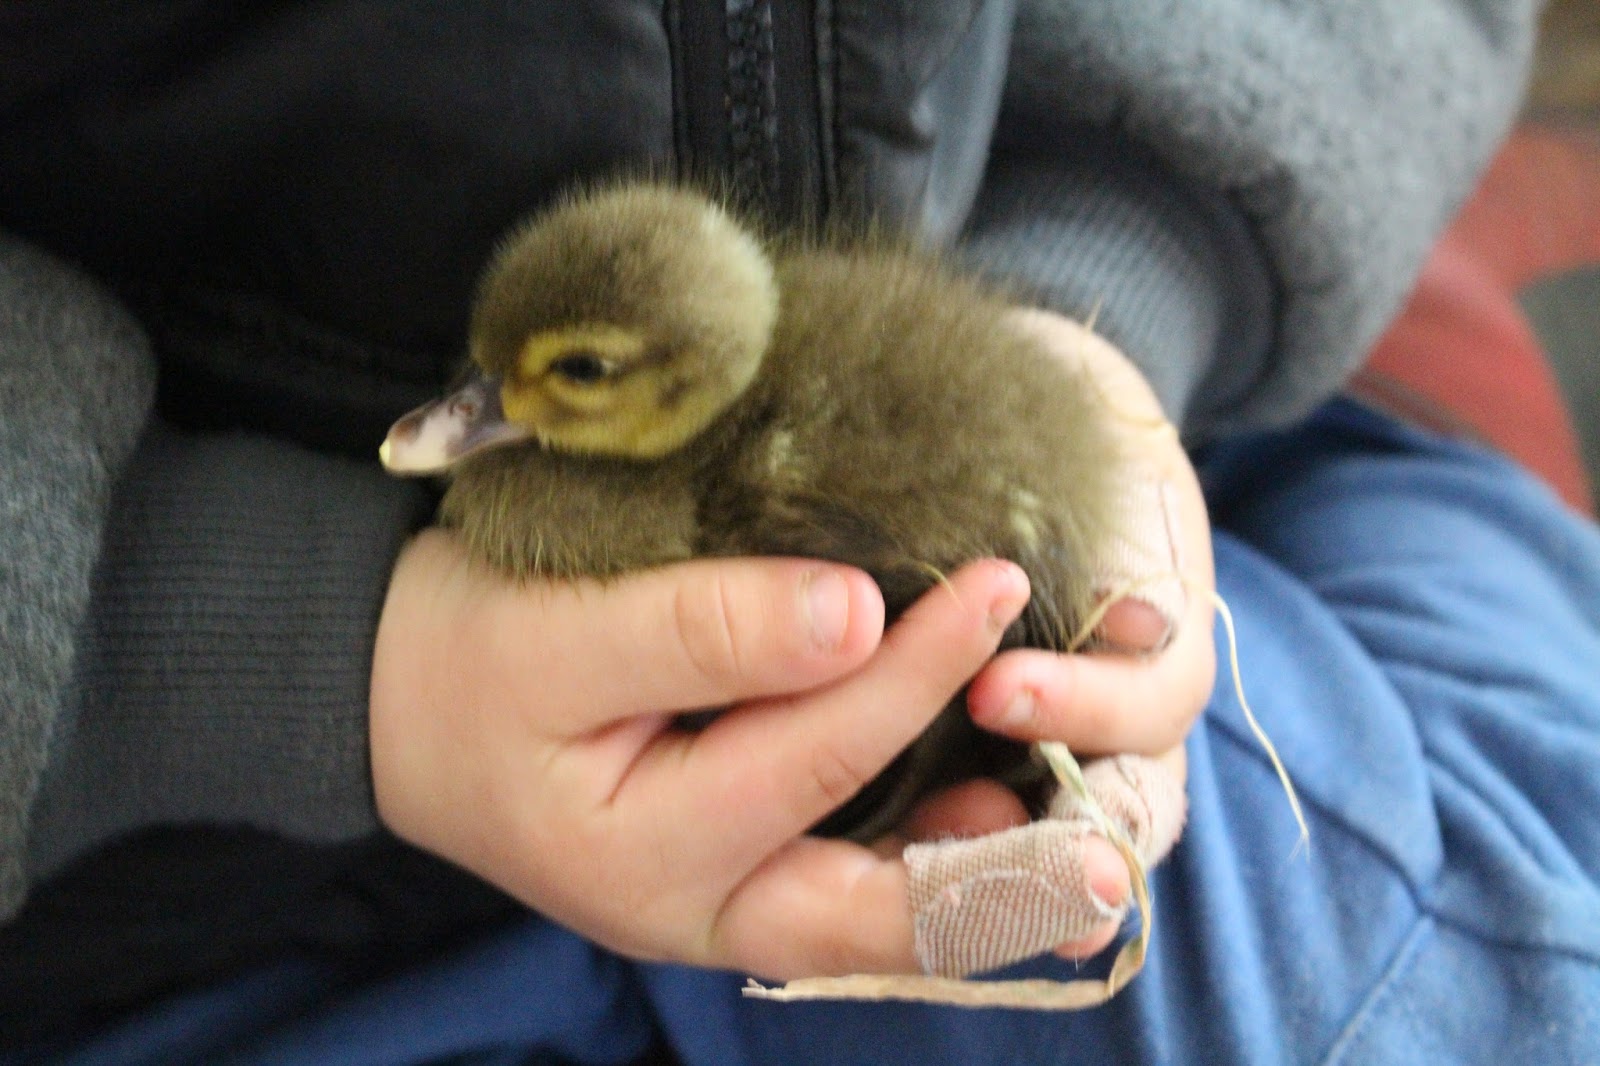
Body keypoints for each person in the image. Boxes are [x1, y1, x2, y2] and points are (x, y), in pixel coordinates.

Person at [3, 1, 1594, 1062]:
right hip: (182, 866)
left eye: (551, 382)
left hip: (1068, 404)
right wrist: (224, 630)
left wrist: (1127, 249)